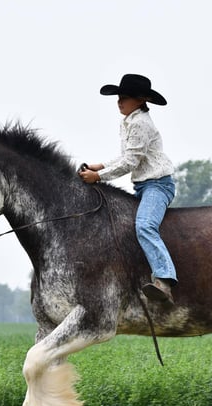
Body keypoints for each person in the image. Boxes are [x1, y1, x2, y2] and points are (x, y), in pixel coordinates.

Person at [78, 73, 177, 305]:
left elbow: (130, 163)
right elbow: (126, 156)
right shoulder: (129, 120)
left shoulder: (141, 123)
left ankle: (165, 279)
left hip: (157, 185)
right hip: (143, 185)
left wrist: (98, 177)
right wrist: (100, 165)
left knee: (145, 225)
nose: (119, 101)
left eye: (125, 97)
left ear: (141, 100)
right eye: (119, 96)